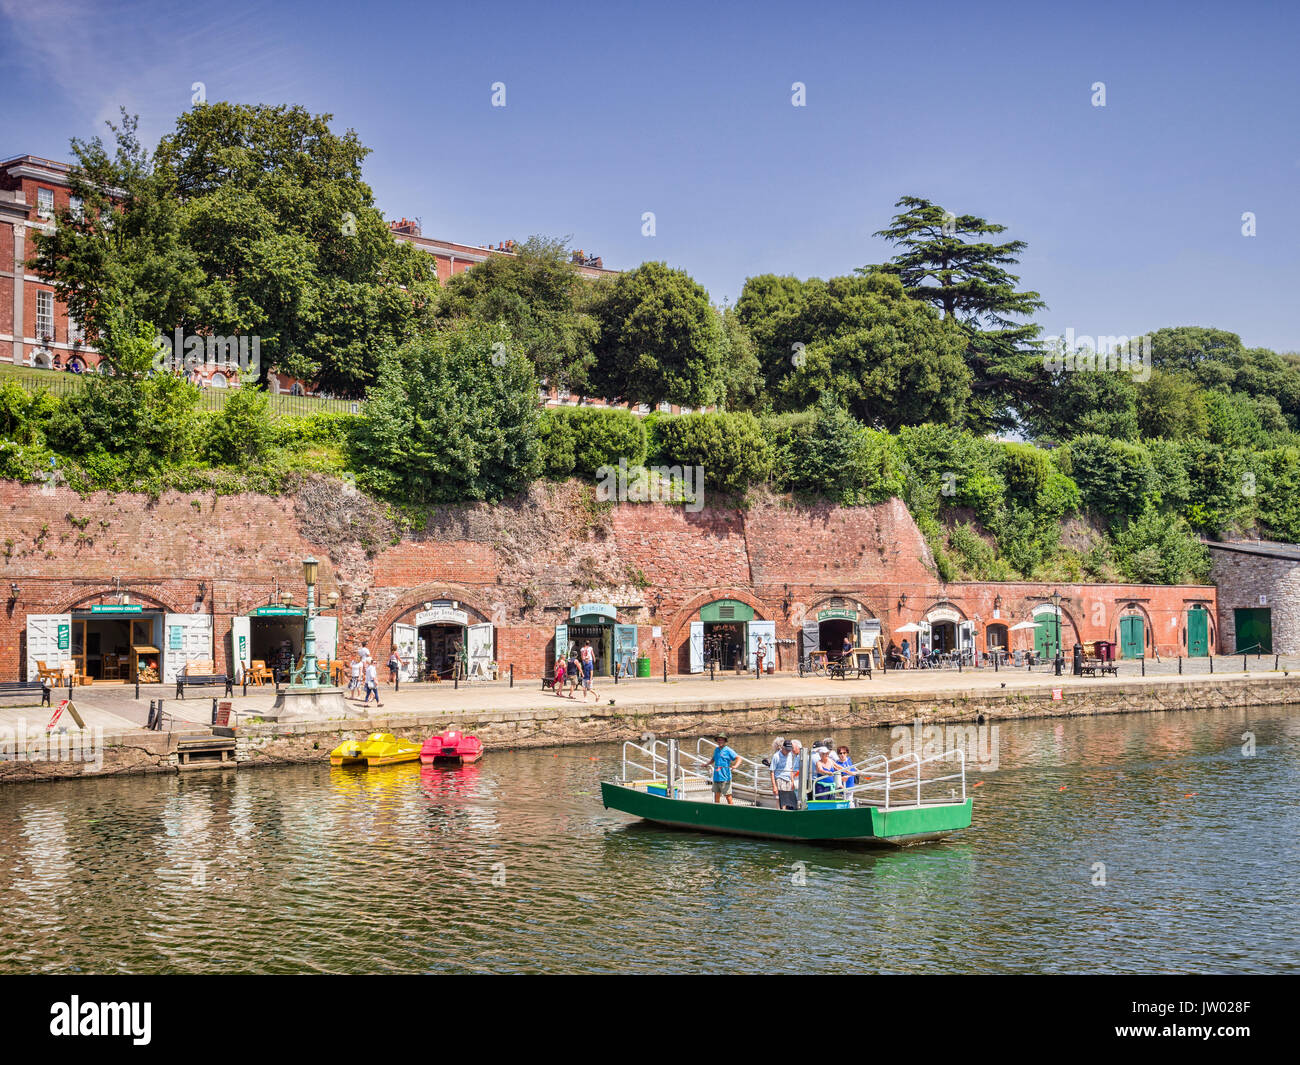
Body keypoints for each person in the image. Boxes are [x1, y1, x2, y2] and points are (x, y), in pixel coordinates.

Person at [707, 733, 744, 805]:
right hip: (716, 777)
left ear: (724, 741)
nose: (719, 741)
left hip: (725, 778)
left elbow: (739, 758)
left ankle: (732, 810)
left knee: (728, 795)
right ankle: (717, 810)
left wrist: (735, 766)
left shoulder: (728, 750)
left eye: (721, 740)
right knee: (716, 795)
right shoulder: (716, 749)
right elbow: (713, 759)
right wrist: (707, 764)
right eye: (718, 740)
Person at [770, 738, 799, 810]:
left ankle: (785, 811)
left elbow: (791, 769)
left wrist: (792, 781)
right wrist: (774, 786)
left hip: (788, 779)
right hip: (780, 778)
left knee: (788, 798)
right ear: (782, 748)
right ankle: (780, 812)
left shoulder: (790, 755)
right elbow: (772, 771)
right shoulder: (776, 756)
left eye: (790, 750)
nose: (788, 752)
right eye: (787, 750)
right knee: (780, 798)